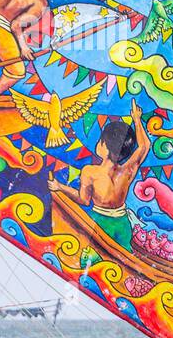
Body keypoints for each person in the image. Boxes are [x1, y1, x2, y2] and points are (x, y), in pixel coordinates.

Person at [47, 101, 151, 251]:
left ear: (104, 147)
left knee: (90, 258)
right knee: (122, 258)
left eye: (100, 141)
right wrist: (136, 119)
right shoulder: (128, 170)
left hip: (100, 224)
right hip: (122, 224)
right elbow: (144, 146)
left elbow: (83, 200)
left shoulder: (90, 172)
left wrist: (60, 187)